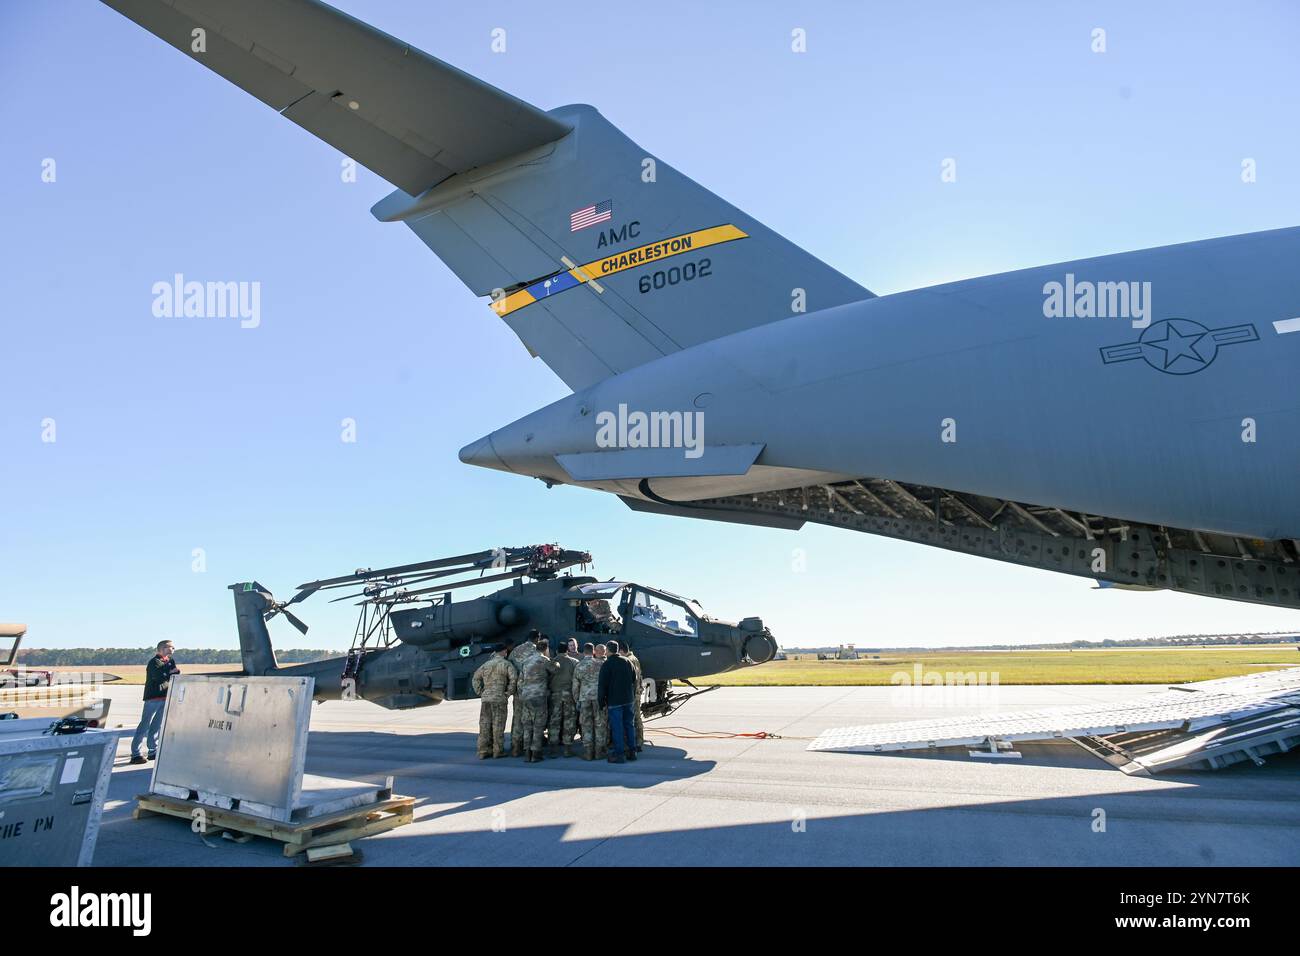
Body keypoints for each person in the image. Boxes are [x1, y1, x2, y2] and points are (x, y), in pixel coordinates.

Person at [130, 641, 179, 764]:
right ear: (162, 648)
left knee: (157, 725)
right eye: (170, 647)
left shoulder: (170, 661)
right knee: (144, 725)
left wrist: (170, 673)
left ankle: (153, 750)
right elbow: (158, 677)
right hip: (152, 698)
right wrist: (170, 673)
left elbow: (174, 674)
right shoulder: (154, 662)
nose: (173, 649)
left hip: (165, 697)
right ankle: (135, 753)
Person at [471, 642, 517, 758]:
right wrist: (508, 693)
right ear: (503, 652)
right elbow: (513, 679)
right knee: (498, 726)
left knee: (485, 725)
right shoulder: (507, 665)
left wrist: (481, 692)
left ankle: (483, 751)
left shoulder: (486, 665)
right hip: (499, 698)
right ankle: (498, 751)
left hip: (486, 699)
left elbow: (475, 678)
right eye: (505, 651)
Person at [596, 640, 637, 763]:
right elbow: (634, 679)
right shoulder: (628, 661)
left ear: (608, 650)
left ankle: (619, 754)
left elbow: (602, 686)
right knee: (629, 725)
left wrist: (601, 702)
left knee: (617, 728)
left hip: (615, 702)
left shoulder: (607, 665)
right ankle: (632, 751)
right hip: (628, 699)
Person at [518, 642, 559, 763]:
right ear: (546, 649)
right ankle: (536, 753)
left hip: (526, 696)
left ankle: (527, 753)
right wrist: (555, 661)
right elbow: (555, 669)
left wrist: (523, 693)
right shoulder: (544, 660)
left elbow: (520, 681)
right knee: (538, 725)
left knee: (527, 726)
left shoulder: (526, 661)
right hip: (539, 696)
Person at [508, 632, 541, 756]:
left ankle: (515, 747)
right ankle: (530, 748)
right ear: (537, 639)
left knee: (517, 718)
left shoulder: (516, 650)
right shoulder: (537, 651)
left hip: (519, 689)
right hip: (532, 690)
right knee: (531, 720)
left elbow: (509, 667)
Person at [571, 643, 606, 760]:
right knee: (599, 724)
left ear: (584, 651)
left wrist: (577, 700)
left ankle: (588, 752)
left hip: (584, 699)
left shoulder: (579, 666)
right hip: (598, 699)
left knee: (586, 725)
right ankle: (599, 752)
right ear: (594, 652)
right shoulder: (601, 664)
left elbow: (575, 686)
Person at [547, 639, 580, 757]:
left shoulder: (551, 662)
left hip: (555, 695)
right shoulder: (574, 662)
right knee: (569, 722)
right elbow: (577, 680)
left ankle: (552, 750)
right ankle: (567, 749)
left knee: (554, 722)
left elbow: (547, 679)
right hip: (569, 695)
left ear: (556, 651)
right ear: (567, 650)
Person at [625, 645, 645, 752]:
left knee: (633, 719)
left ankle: (635, 742)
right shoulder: (634, 658)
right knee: (637, 718)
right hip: (636, 693)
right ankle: (639, 741)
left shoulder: (628, 661)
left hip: (632, 694)